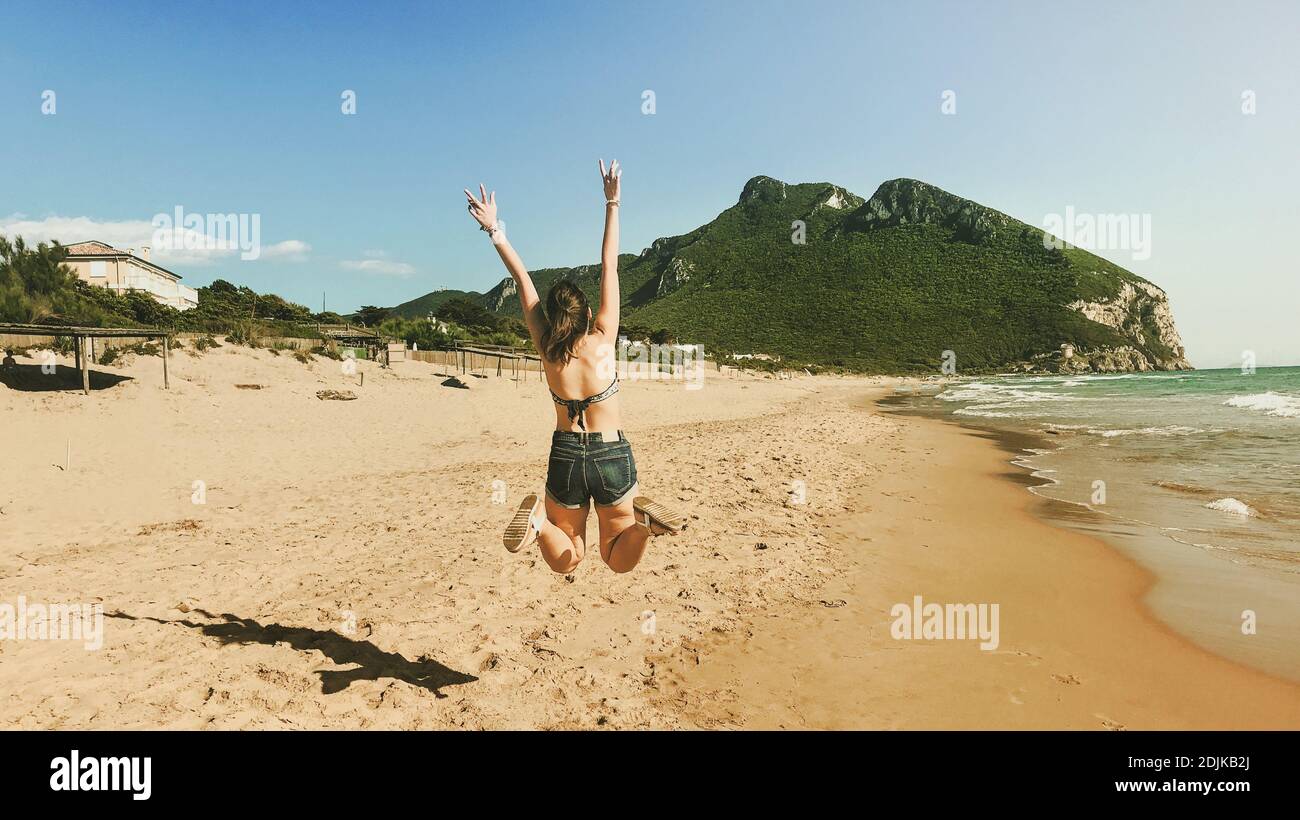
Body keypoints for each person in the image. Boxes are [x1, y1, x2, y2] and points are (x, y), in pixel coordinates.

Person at [464, 160, 686, 574]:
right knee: (616, 557)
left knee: (568, 558)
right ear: (587, 315)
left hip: (565, 453)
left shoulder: (548, 349)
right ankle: (642, 527)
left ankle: (537, 525)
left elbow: (523, 282)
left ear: (554, 318)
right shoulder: (603, 339)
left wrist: (494, 231)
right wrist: (612, 202)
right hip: (611, 453)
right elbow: (610, 265)